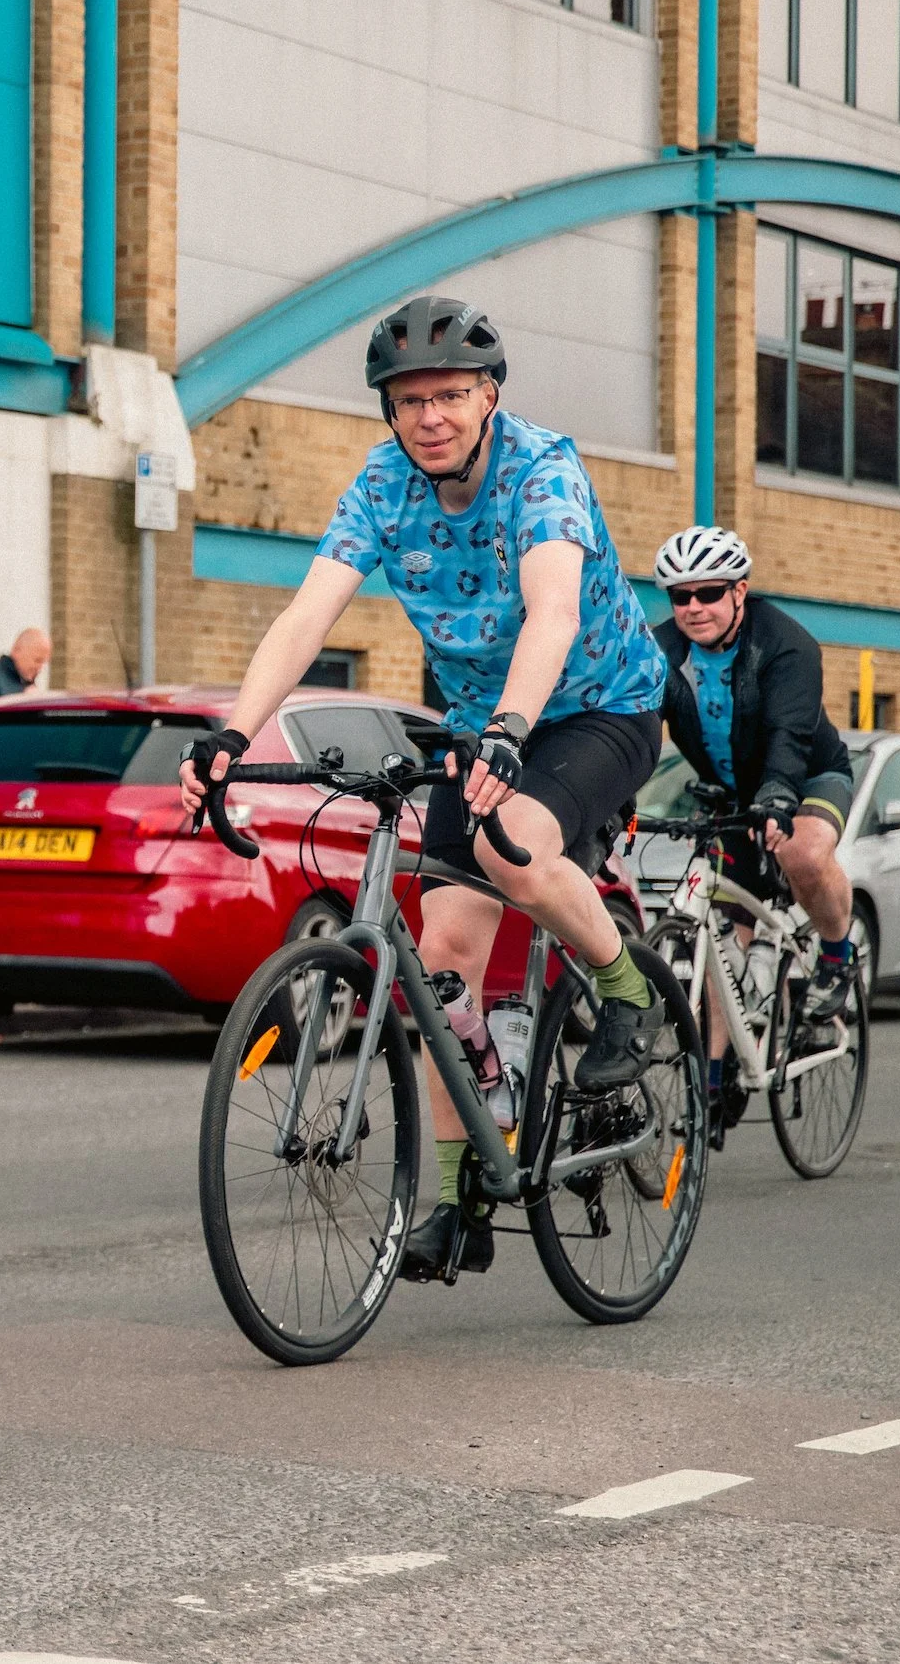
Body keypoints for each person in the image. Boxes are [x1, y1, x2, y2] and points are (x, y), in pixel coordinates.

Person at [179, 295, 669, 1283]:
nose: (430, 416)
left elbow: (552, 612)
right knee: (441, 961)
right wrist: (234, 732)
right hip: (480, 719)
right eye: (409, 401)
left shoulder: (542, 470)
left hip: (595, 706)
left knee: (510, 848)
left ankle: (626, 987)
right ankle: (455, 1198)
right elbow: (307, 617)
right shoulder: (381, 484)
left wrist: (512, 729)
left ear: (489, 395)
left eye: (449, 395)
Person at [650, 524, 858, 1107]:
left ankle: (836, 957)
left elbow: (789, 735)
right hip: (732, 797)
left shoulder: (786, 644)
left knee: (803, 854)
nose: (694, 607)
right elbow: (636, 728)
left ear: (740, 591)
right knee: (722, 936)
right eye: (680, 596)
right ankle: (716, 1076)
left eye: (709, 593)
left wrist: (778, 799)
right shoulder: (659, 651)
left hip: (809, 777)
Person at [0, 627, 49, 705]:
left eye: (43, 663)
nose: (40, 668)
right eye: (37, 660)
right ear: (17, 650)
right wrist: (24, 702)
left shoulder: (27, 684)